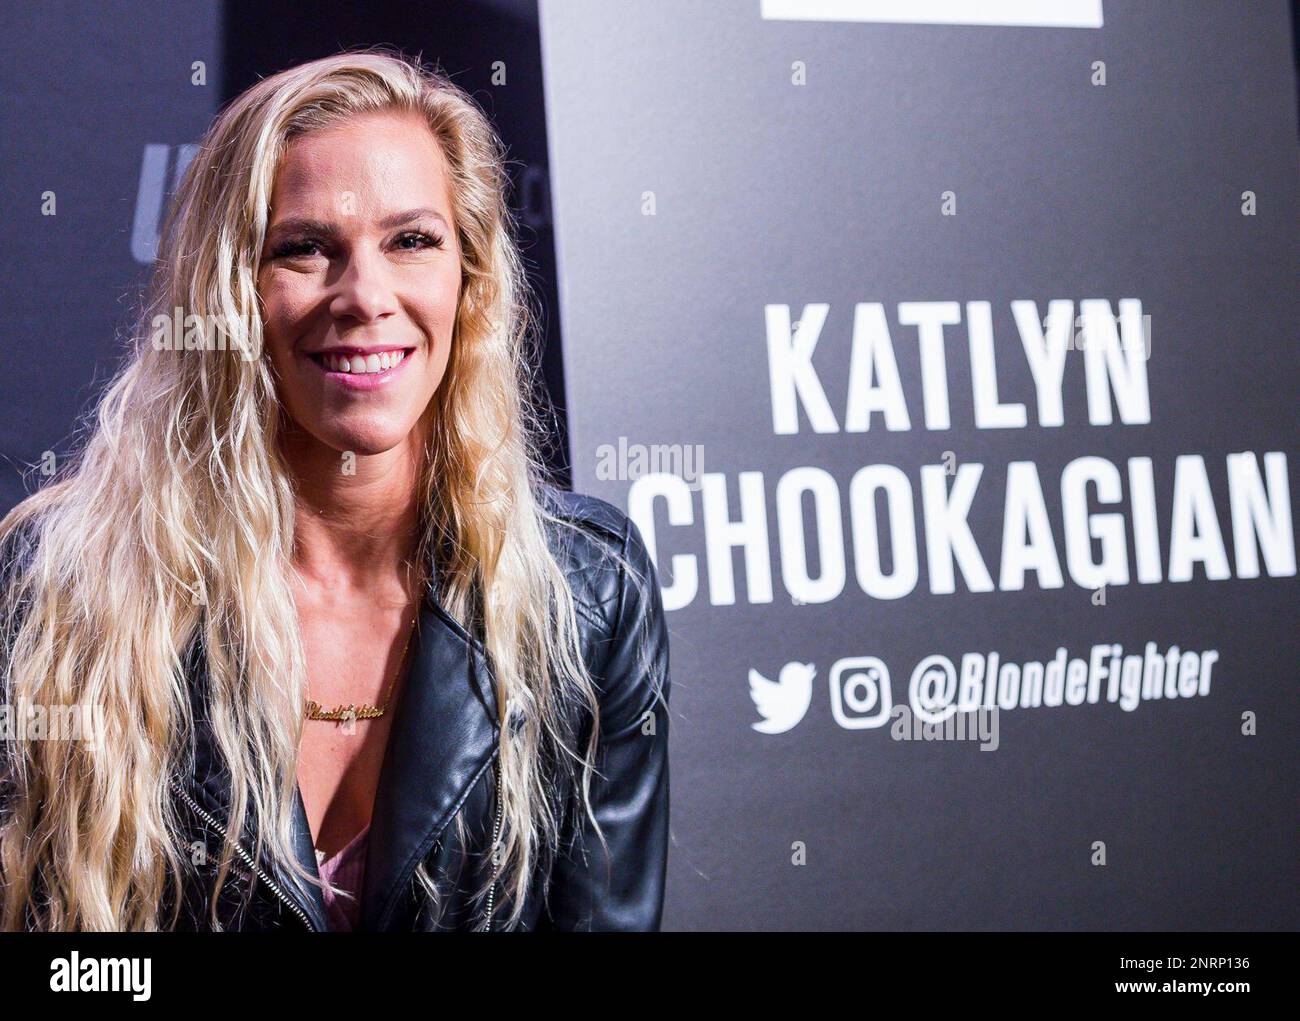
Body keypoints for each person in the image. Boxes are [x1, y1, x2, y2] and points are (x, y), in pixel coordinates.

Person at [0, 49, 670, 931]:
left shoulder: (589, 592)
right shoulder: (63, 588)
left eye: (412, 241)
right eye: (306, 248)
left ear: (469, 279)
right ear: (231, 288)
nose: (365, 295)